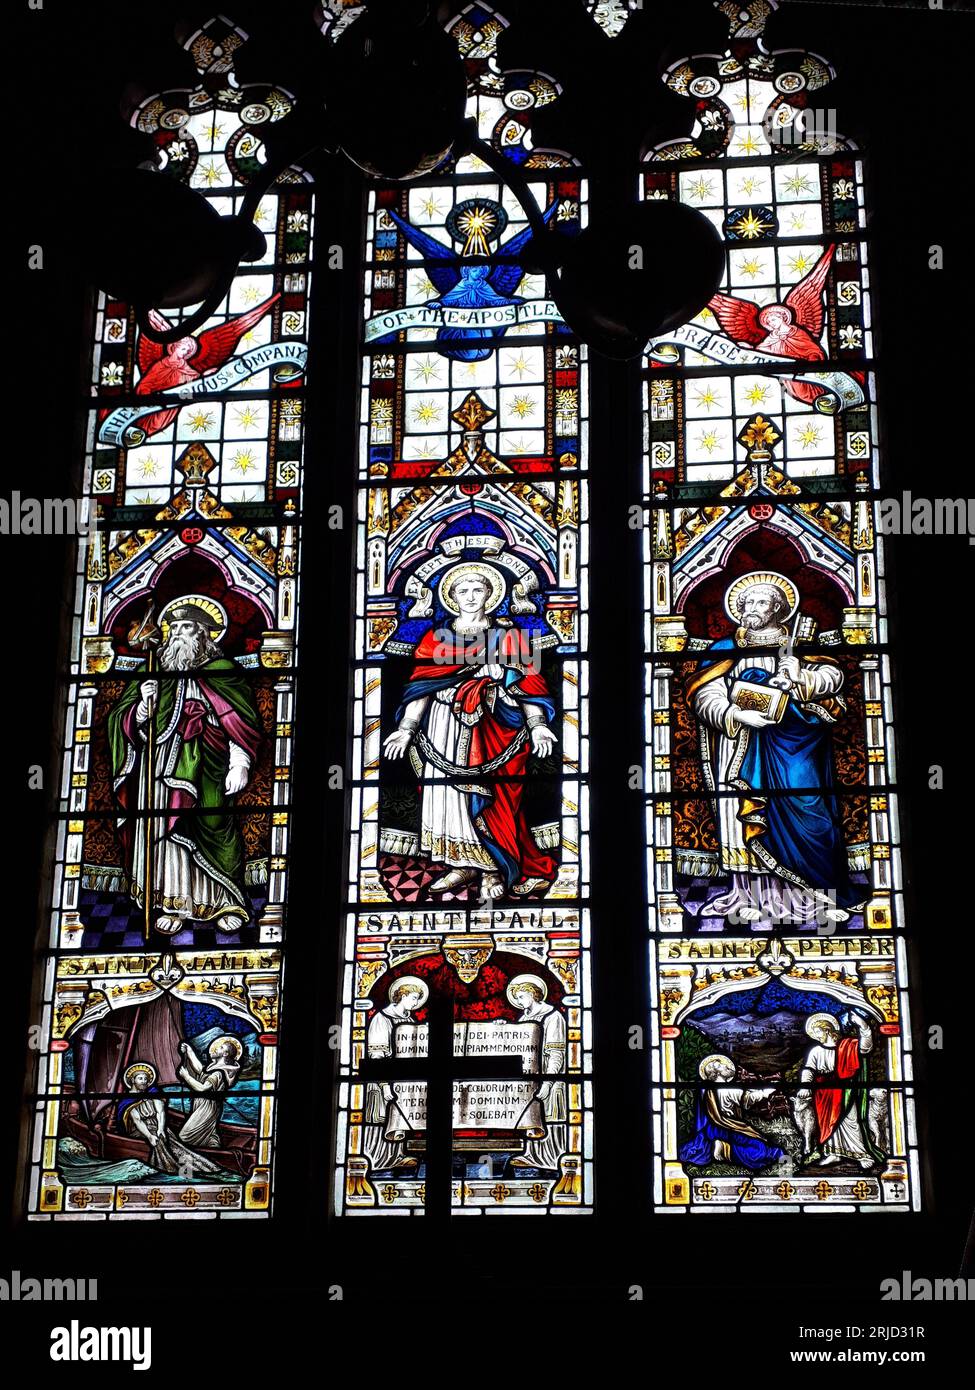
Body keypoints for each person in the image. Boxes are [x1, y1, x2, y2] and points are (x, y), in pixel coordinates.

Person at [688, 571, 860, 925]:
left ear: (779, 609)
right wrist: (735, 713)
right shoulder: (724, 649)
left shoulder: (799, 642)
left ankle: (812, 896)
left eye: (762, 602)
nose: (752, 608)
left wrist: (799, 676)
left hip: (795, 743)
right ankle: (747, 894)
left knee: (808, 805)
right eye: (747, 602)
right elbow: (705, 693)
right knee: (741, 813)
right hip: (739, 744)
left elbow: (834, 677)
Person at [383, 562, 558, 899]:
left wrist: (537, 726)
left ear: (491, 594)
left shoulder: (509, 636)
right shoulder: (435, 639)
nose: (471, 596)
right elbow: (422, 687)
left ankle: (493, 868)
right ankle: (460, 864)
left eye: (478, 589)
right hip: (442, 725)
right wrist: (405, 729)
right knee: (447, 797)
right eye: (462, 590)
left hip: (491, 727)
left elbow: (529, 685)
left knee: (493, 799)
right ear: (450, 596)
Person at [108, 595, 261, 934]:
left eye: (186, 627)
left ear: (205, 633)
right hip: (158, 765)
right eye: (173, 627)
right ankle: (171, 902)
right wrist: (142, 710)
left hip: (209, 764)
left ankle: (226, 901)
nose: (177, 633)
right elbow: (121, 720)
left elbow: (240, 721)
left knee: (213, 824)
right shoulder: (154, 671)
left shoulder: (222, 672)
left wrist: (240, 760)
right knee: (163, 832)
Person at [793, 1010, 885, 1169]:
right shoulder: (815, 1051)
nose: (815, 1035)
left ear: (827, 1029)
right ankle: (833, 1153)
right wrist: (805, 1086)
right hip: (823, 1092)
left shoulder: (847, 1045)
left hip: (845, 1090)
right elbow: (809, 1070)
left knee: (851, 1119)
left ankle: (861, 1153)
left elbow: (866, 1047)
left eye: (817, 1031)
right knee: (827, 1124)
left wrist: (862, 1025)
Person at [362, 977, 428, 1174]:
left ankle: (395, 1156)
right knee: (379, 1120)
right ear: (402, 996)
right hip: (382, 1080)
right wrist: (385, 1086)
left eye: (418, 999)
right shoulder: (381, 1019)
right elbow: (377, 1056)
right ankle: (376, 1158)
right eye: (414, 998)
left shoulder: (408, 1020)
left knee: (397, 1118)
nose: (416, 1003)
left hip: (402, 1081)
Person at [117, 1062, 224, 1177]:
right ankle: (169, 1171)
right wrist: (149, 1136)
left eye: (146, 1079)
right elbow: (137, 1121)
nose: (144, 1081)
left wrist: (161, 1129)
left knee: (170, 1140)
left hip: (158, 1124)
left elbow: (160, 1112)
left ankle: (193, 1169)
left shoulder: (153, 1093)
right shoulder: (127, 1101)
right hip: (140, 1129)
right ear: (133, 1080)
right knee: (158, 1141)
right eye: (140, 1078)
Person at [680, 1054, 784, 1170]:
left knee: (756, 1143)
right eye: (721, 1066)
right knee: (762, 1150)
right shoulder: (728, 1088)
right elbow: (749, 1099)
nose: (726, 1066)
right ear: (717, 1073)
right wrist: (770, 1089)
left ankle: (719, 1146)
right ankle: (724, 1149)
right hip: (726, 1128)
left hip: (710, 1129)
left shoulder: (710, 1089)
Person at [506, 976, 567, 1173]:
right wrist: (503, 1029)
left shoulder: (552, 1016)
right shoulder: (525, 1018)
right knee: (533, 1116)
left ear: (533, 994)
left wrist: (548, 1082)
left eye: (521, 997)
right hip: (530, 1078)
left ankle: (553, 1158)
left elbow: (556, 1053)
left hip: (550, 1077)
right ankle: (532, 1155)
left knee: (552, 1117)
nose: (519, 1002)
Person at [175, 1035, 243, 1148]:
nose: (216, 1048)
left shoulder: (219, 1073)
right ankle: (214, 1148)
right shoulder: (213, 1067)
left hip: (207, 1107)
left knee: (184, 1137)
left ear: (225, 1054)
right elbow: (200, 1070)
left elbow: (202, 1088)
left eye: (220, 1047)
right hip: (203, 1104)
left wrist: (186, 1077)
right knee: (207, 1133)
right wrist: (190, 1051)